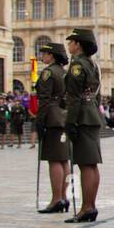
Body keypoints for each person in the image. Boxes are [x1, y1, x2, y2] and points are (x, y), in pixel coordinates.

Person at [63, 28, 105, 223]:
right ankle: (90, 205)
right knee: (92, 165)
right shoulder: (93, 65)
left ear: (78, 44)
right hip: (92, 115)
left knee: (85, 165)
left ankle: (87, 207)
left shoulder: (77, 65)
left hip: (82, 117)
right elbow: (97, 95)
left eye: (71, 41)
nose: (69, 45)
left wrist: (71, 121)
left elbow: (74, 97)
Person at [35, 41, 72, 214]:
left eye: (45, 54)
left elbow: (44, 99)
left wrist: (40, 121)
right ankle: (63, 196)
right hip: (64, 116)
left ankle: (56, 198)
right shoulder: (64, 72)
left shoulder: (48, 73)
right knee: (64, 159)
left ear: (52, 56)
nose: (42, 56)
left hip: (52, 117)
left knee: (54, 160)